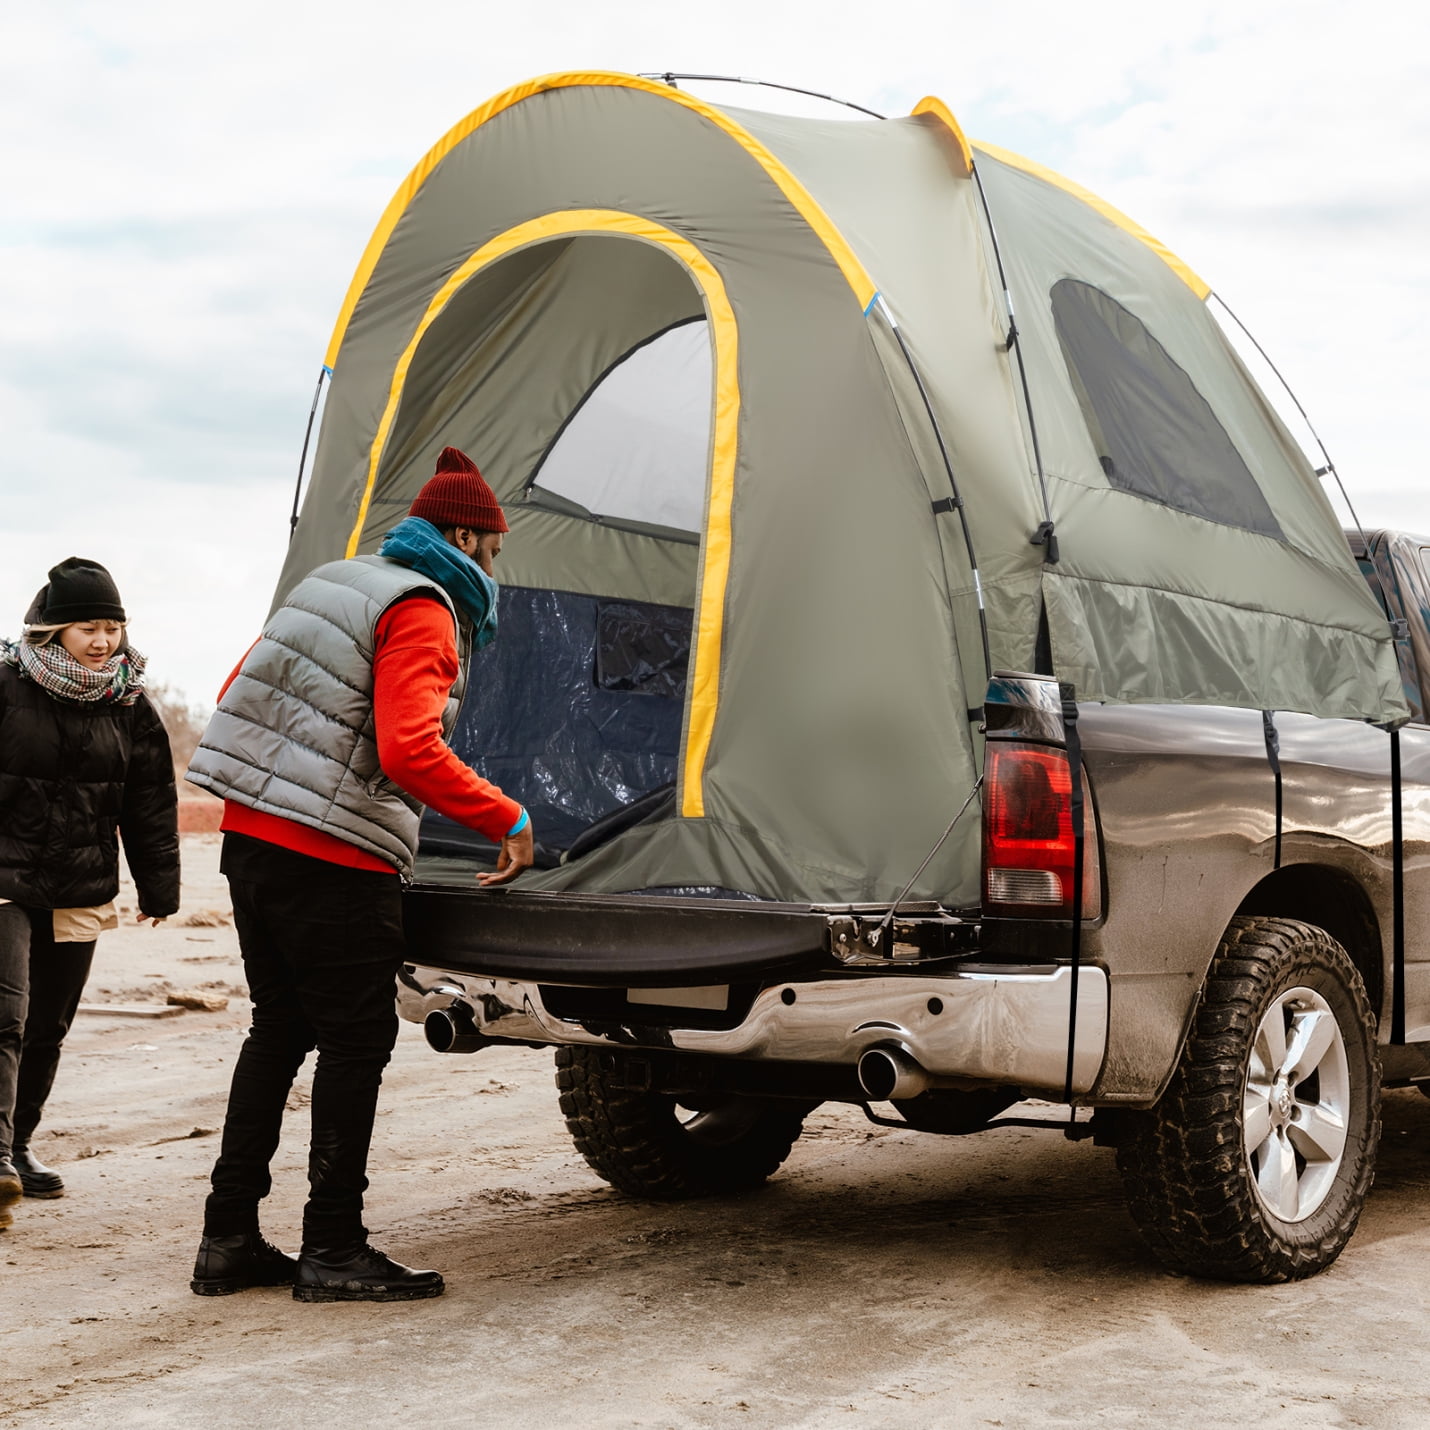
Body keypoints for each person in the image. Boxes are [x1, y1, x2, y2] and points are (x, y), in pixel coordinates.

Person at [186, 446, 534, 1302]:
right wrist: (507, 818)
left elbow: (242, 690)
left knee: (278, 1031)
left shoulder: (331, 583)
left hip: (252, 844)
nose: (497, 565)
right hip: (332, 857)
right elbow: (409, 747)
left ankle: (228, 1237)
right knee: (355, 1041)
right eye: (495, 548)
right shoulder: (424, 606)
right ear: (465, 536)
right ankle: (333, 1247)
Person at [0, 559, 179, 1231]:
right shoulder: (7, 685)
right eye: (88, 628)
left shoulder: (129, 703)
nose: (103, 641)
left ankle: (18, 1143)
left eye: (112, 627)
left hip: (80, 883)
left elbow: (151, 800)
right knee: (6, 1017)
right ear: (52, 632)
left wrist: (159, 888)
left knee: (50, 1023)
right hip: (5, 877)